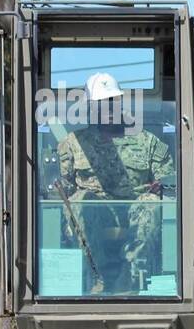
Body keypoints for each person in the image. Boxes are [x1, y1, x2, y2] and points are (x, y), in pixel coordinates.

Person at [55, 72, 174, 294]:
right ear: (91, 107)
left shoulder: (147, 142)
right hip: (95, 215)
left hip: (134, 212)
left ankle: (127, 275)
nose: (108, 108)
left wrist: (159, 186)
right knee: (78, 201)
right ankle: (96, 276)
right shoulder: (72, 144)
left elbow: (168, 182)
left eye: (112, 101)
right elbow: (63, 190)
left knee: (152, 202)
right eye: (101, 103)